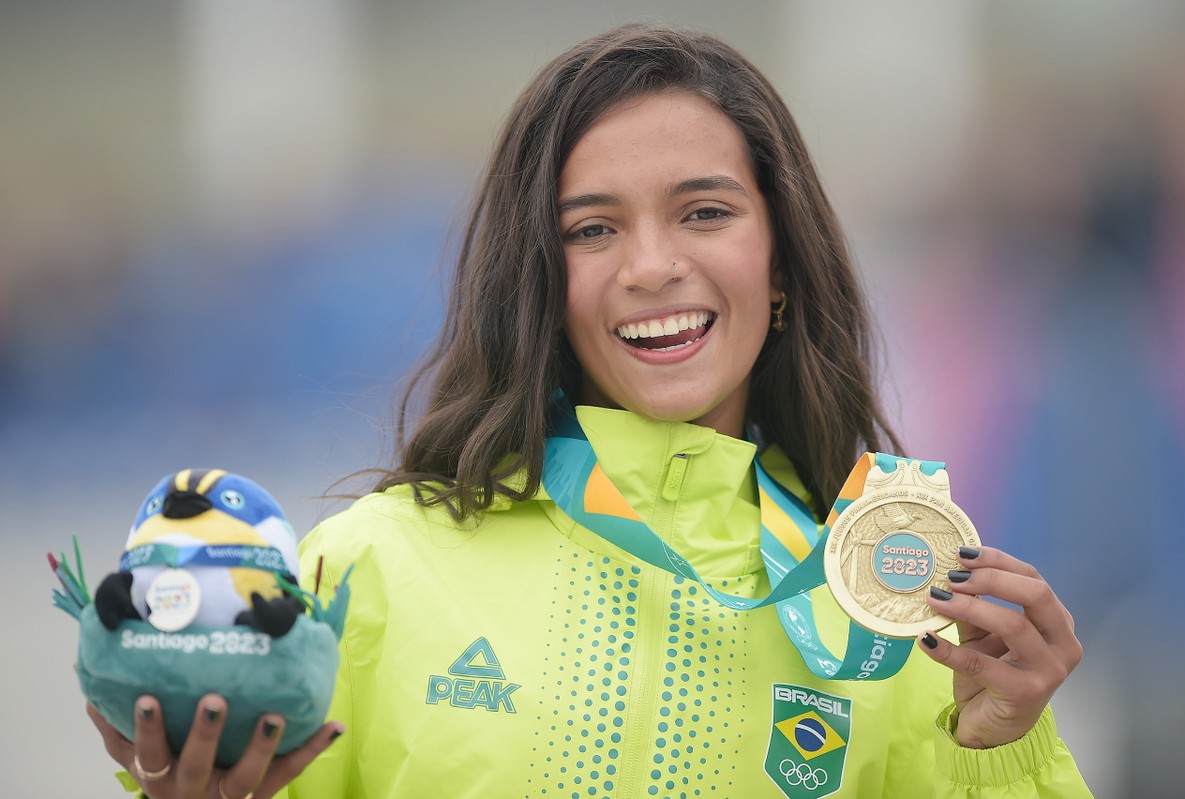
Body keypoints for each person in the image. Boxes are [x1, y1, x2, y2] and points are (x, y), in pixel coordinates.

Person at [91, 23, 1092, 798]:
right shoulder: (372, 568)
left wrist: (1003, 752)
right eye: (593, 228)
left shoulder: (887, 614)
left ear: (780, 260)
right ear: (538, 278)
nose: (653, 266)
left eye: (704, 211)